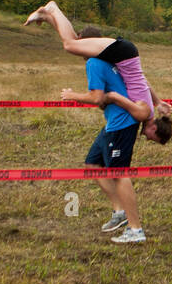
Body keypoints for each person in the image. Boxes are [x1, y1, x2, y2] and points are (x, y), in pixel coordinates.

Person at [25, 1, 172, 144]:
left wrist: (158, 102)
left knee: (75, 42)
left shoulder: (149, 111)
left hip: (127, 53)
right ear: (154, 128)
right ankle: (52, 9)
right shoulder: (143, 114)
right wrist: (98, 99)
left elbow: (143, 80)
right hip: (122, 54)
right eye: (152, 138)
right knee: (70, 45)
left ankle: (48, 16)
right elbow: (114, 97)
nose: (147, 138)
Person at [60, 52, 146, 244]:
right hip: (112, 124)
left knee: (119, 174)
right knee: (93, 164)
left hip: (121, 124)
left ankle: (136, 230)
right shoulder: (108, 61)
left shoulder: (94, 62)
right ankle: (120, 212)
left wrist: (71, 95)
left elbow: (97, 98)